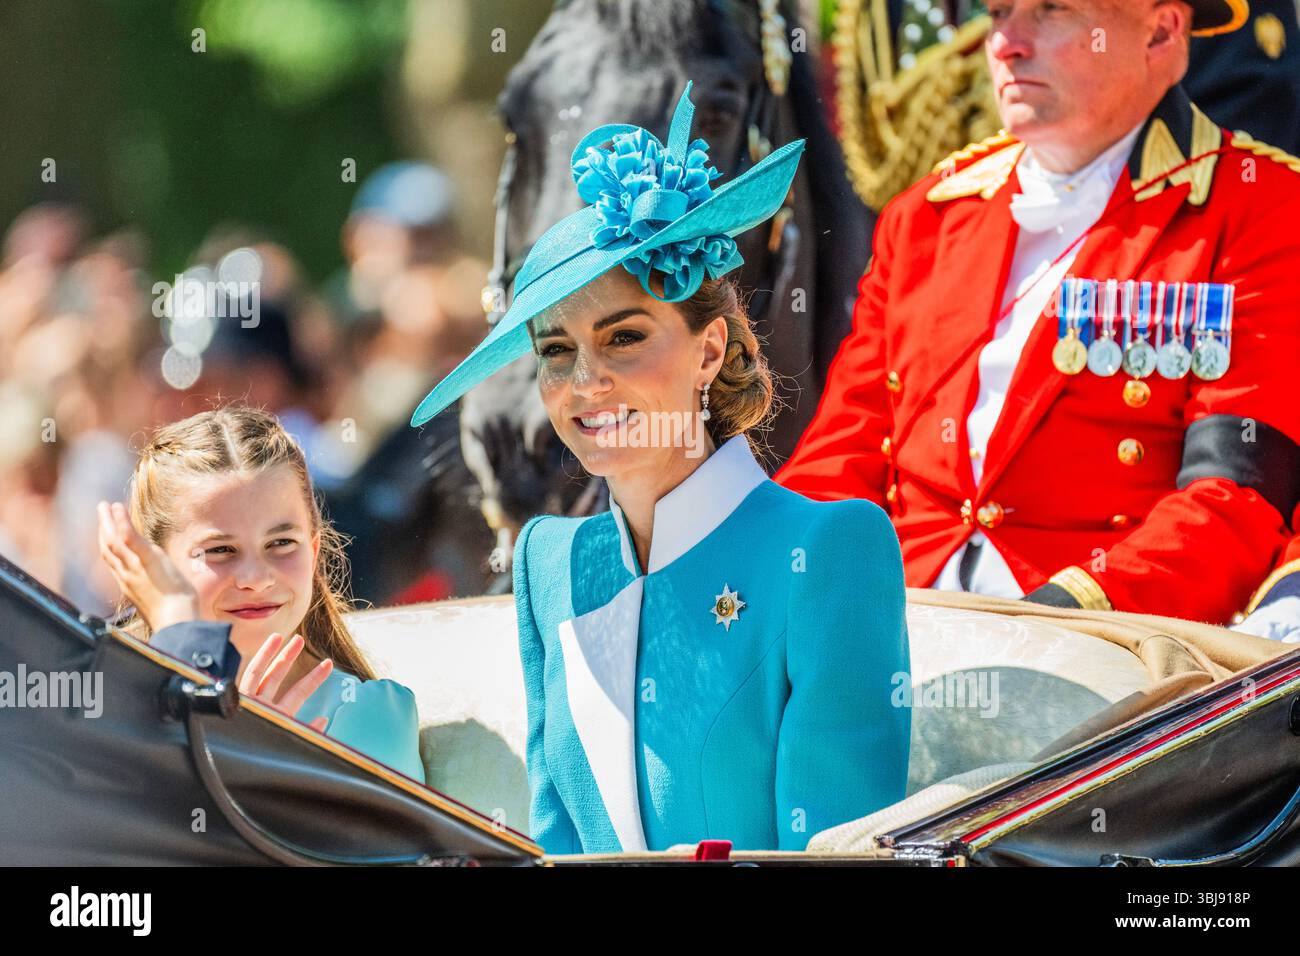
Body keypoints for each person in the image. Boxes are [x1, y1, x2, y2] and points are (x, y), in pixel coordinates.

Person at [408, 83, 910, 854]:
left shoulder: (832, 545)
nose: (584, 381)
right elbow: (557, 841)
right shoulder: (549, 563)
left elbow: (842, 853)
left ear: (710, 350)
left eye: (624, 337)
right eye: (554, 351)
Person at [773, 0, 1300, 625]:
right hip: (890, 634)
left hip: (1110, 653)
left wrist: (1060, 622)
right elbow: (841, 456)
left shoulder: (1260, 208)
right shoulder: (926, 218)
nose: (1006, 44)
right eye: (999, 14)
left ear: (1161, 32)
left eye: (1051, 12)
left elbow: (1236, 496)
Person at [96, 406, 424, 781]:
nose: (255, 578)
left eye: (282, 542)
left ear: (313, 552)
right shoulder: (106, 702)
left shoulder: (366, 715)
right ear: (153, 564)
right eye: (220, 550)